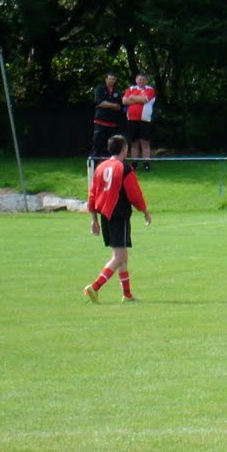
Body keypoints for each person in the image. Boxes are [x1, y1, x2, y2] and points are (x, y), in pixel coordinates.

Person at [84, 133, 151, 302]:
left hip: (105, 215)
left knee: (122, 255)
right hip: (119, 215)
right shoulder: (124, 168)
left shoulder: (100, 167)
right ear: (124, 149)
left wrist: (94, 219)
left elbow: (92, 195)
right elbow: (134, 194)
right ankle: (94, 287)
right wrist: (145, 211)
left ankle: (127, 294)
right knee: (119, 257)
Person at [122, 72, 157, 170]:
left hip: (145, 119)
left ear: (146, 81)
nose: (141, 81)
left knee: (145, 142)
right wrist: (137, 99)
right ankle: (134, 164)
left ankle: (146, 164)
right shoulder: (131, 89)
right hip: (131, 119)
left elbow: (145, 100)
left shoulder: (150, 89)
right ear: (136, 80)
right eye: (139, 79)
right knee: (134, 142)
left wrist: (132, 98)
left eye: (143, 79)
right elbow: (124, 101)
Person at [91, 73, 124, 160]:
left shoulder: (117, 91)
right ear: (106, 79)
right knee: (97, 145)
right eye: (109, 79)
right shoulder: (100, 88)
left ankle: (109, 164)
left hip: (113, 123)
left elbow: (120, 106)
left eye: (113, 79)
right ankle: (92, 164)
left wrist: (108, 104)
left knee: (111, 146)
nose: (111, 81)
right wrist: (113, 105)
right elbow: (100, 102)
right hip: (100, 122)